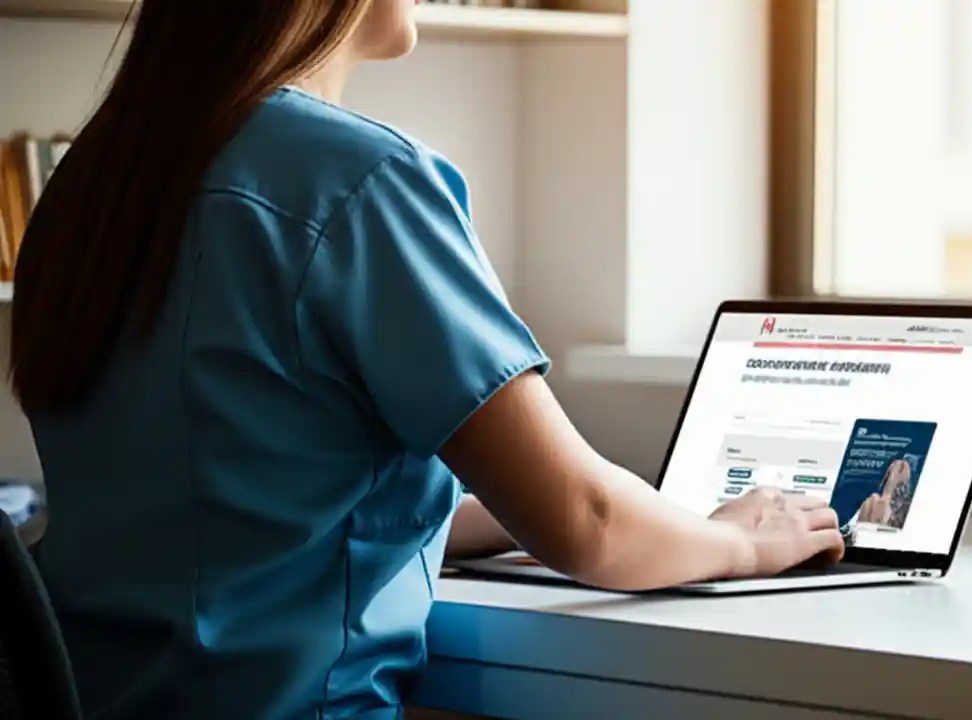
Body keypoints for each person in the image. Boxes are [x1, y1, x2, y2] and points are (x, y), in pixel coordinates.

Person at [7, 2, 845, 718]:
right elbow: (587, 522)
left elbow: (236, 512)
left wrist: (518, 513)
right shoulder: (355, 179)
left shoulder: (90, 186)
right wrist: (739, 544)